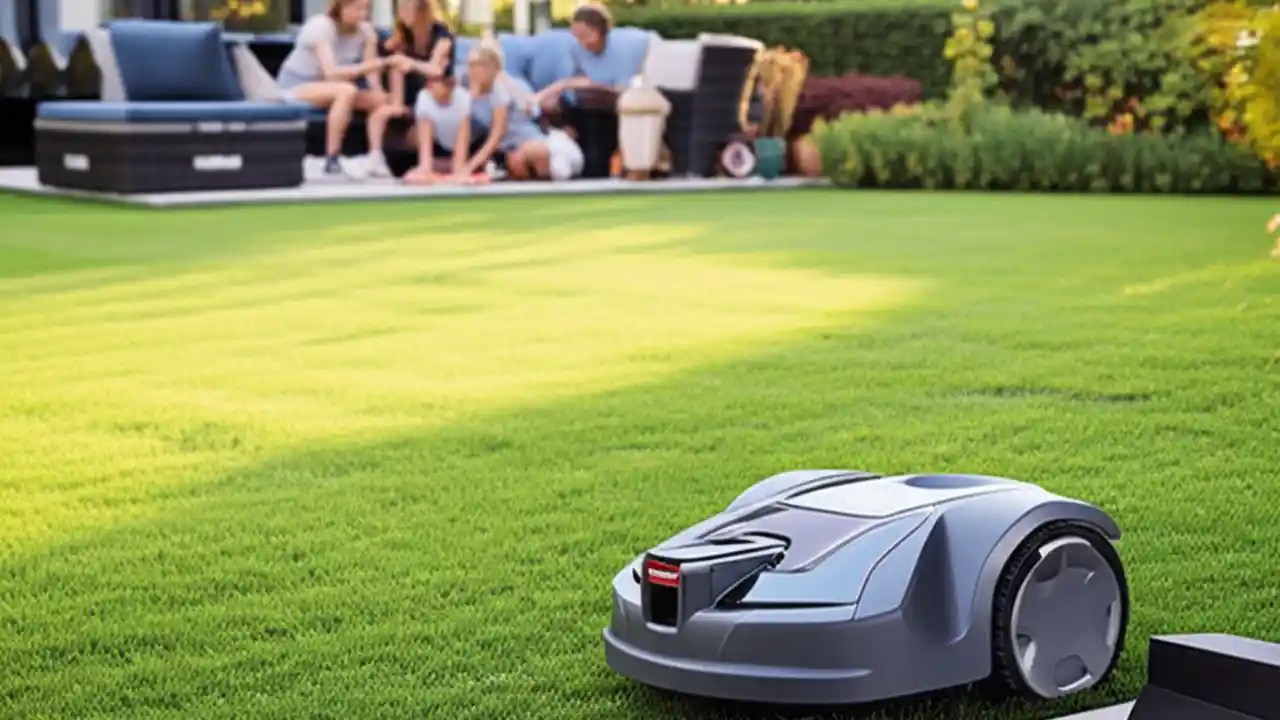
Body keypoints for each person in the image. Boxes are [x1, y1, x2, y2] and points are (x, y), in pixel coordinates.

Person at [276, 0, 402, 178]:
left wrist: (378, 92)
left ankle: (375, 158)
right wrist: (378, 64)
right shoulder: (320, 27)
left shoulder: (367, 32)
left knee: (380, 100)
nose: (362, 14)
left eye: (365, 9)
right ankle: (332, 159)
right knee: (346, 91)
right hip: (298, 85)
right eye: (356, 9)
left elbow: (371, 73)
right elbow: (332, 74)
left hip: (335, 87)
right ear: (340, 7)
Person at [400, 75, 486, 186]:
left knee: (462, 172)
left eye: (437, 82)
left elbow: (462, 140)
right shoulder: (424, 97)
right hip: (441, 149)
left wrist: (459, 171)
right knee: (418, 172)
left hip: (470, 148)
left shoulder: (463, 98)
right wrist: (425, 170)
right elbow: (425, 144)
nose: (431, 86)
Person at [383, 0, 455, 111]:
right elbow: (389, 53)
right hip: (408, 90)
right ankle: (397, 105)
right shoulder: (403, 33)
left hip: (435, 88)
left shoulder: (442, 36)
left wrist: (411, 63)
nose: (402, 11)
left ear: (421, 11)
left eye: (407, 7)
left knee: (403, 63)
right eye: (402, 7)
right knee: (397, 64)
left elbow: (436, 70)